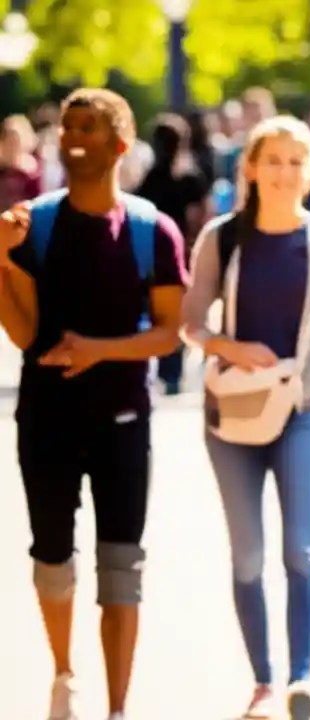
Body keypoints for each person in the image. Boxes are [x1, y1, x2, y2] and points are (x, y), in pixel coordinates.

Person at [0, 88, 188, 720]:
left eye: (89, 126)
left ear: (120, 144)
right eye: (68, 126)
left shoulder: (151, 232)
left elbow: (170, 333)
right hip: (45, 417)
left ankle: (117, 709)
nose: (73, 136)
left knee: (121, 565)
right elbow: (24, 333)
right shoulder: (35, 225)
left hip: (123, 421)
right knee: (51, 557)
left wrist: (97, 350)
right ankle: (63, 674)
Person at [181, 115, 310, 719]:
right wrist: (230, 348)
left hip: (302, 411)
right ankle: (262, 682)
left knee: (300, 553)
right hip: (229, 418)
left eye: (297, 161)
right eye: (274, 160)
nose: (285, 172)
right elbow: (190, 323)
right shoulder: (221, 237)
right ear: (252, 168)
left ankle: (301, 679)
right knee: (248, 557)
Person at [134, 113, 212, 395]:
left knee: (157, 311)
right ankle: (173, 371)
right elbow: (201, 214)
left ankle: (165, 368)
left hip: (153, 254)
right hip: (181, 253)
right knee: (177, 311)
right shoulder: (190, 179)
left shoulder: (151, 180)